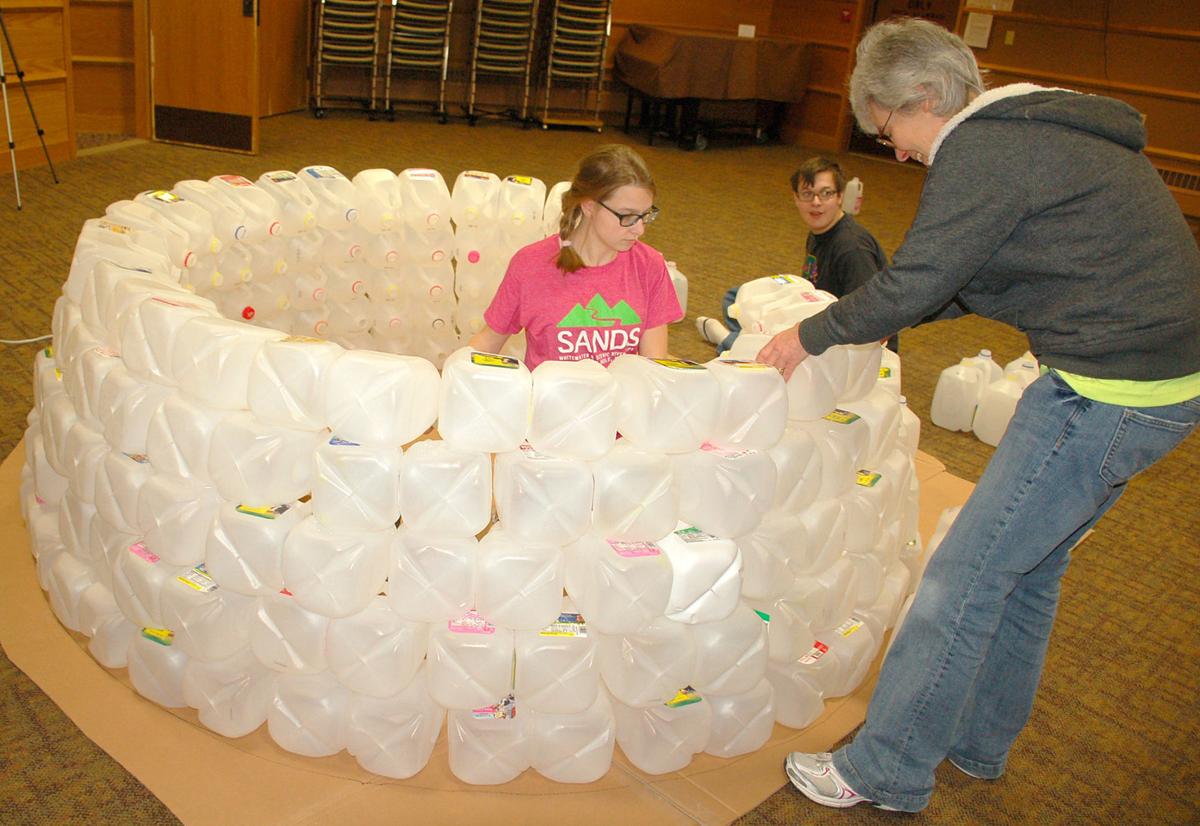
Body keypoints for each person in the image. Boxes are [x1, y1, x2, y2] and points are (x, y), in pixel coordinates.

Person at [757, 17, 1200, 814]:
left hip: (1105, 392)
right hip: (1163, 386)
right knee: (1028, 570)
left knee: (959, 580)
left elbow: (922, 276)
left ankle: (886, 769)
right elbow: (969, 274)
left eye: (890, 130)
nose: (896, 153)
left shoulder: (984, 150)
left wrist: (812, 334)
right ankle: (979, 741)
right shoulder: (1033, 129)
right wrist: (879, 316)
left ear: (927, 97)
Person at [468, 144, 682, 369]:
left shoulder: (649, 265)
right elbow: (488, 342)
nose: (639, 229)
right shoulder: (530, 264)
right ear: (589, 206)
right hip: (550, 391)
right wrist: (456, 374)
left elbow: (652, 364)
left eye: (645, 215)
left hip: (619, 392)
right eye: (627, 216)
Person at [696, 157, 892, 353]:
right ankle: (746, 339)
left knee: (769, 336)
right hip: (817, 308)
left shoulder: (852, 248)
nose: (816, 202)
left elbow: (872, 319)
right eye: (807, 194)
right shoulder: (820, 231)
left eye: (826, 193)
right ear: (796, 198)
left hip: (841, 336)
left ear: (840, 196)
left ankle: (732, 341)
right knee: (736, 297)